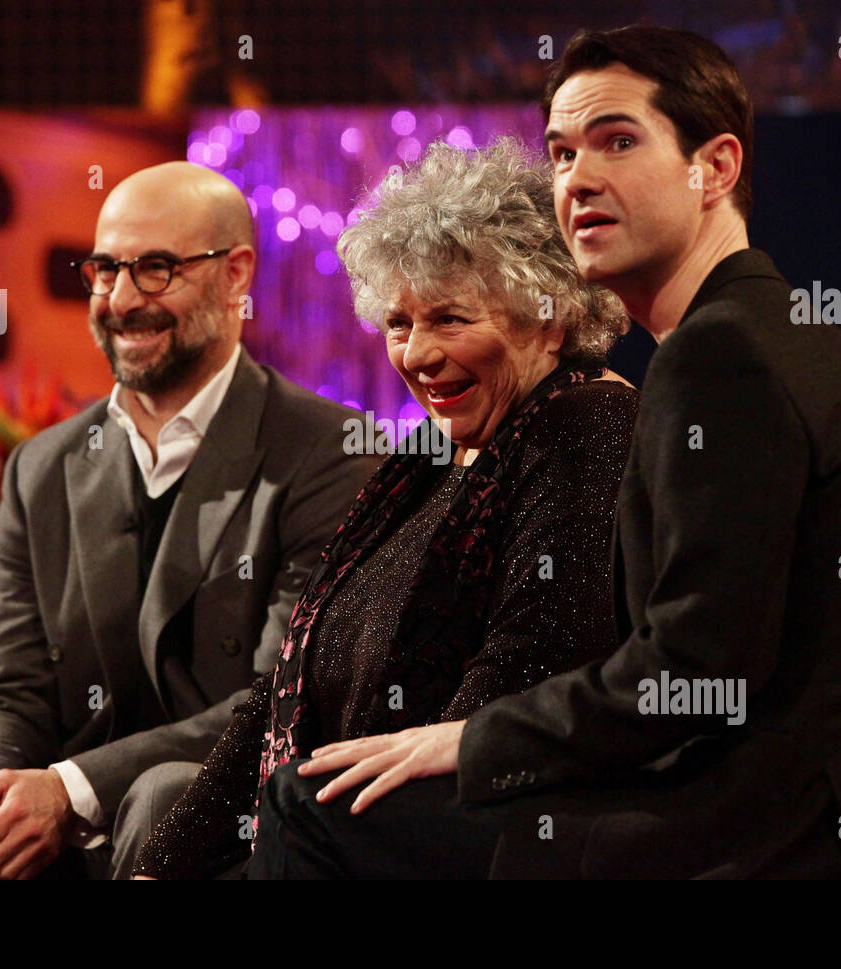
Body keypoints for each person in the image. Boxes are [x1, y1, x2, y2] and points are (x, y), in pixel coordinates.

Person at [246, 25, 841, 880]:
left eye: (617, 141)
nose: (578, 180)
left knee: (311, 811)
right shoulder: (769, 332)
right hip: (803, 819)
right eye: (562, 153)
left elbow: (696, 672)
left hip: (785, 843)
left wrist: (472, 739)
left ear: (714, 168)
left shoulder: (722, 355)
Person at [0, 162, 379, 880]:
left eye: (156, 269)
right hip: (56, 835)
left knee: (164, 795)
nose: (122, 299)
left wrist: (70, 791)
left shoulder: (330, 454)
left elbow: (277, 703)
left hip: (211, 821)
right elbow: (8, 683)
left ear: (236, 275)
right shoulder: (41, 466)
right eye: (105, 270)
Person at [132, 138, 637, 878]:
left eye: (452, 319)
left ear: (549, 319)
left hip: (448, 835)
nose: (418, 353)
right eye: (400, 323)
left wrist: (317, 808)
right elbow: (279, 685)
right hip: (322, 820)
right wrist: (163, 862)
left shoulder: (584, 423)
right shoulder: (421, 460)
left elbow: (530, 665)